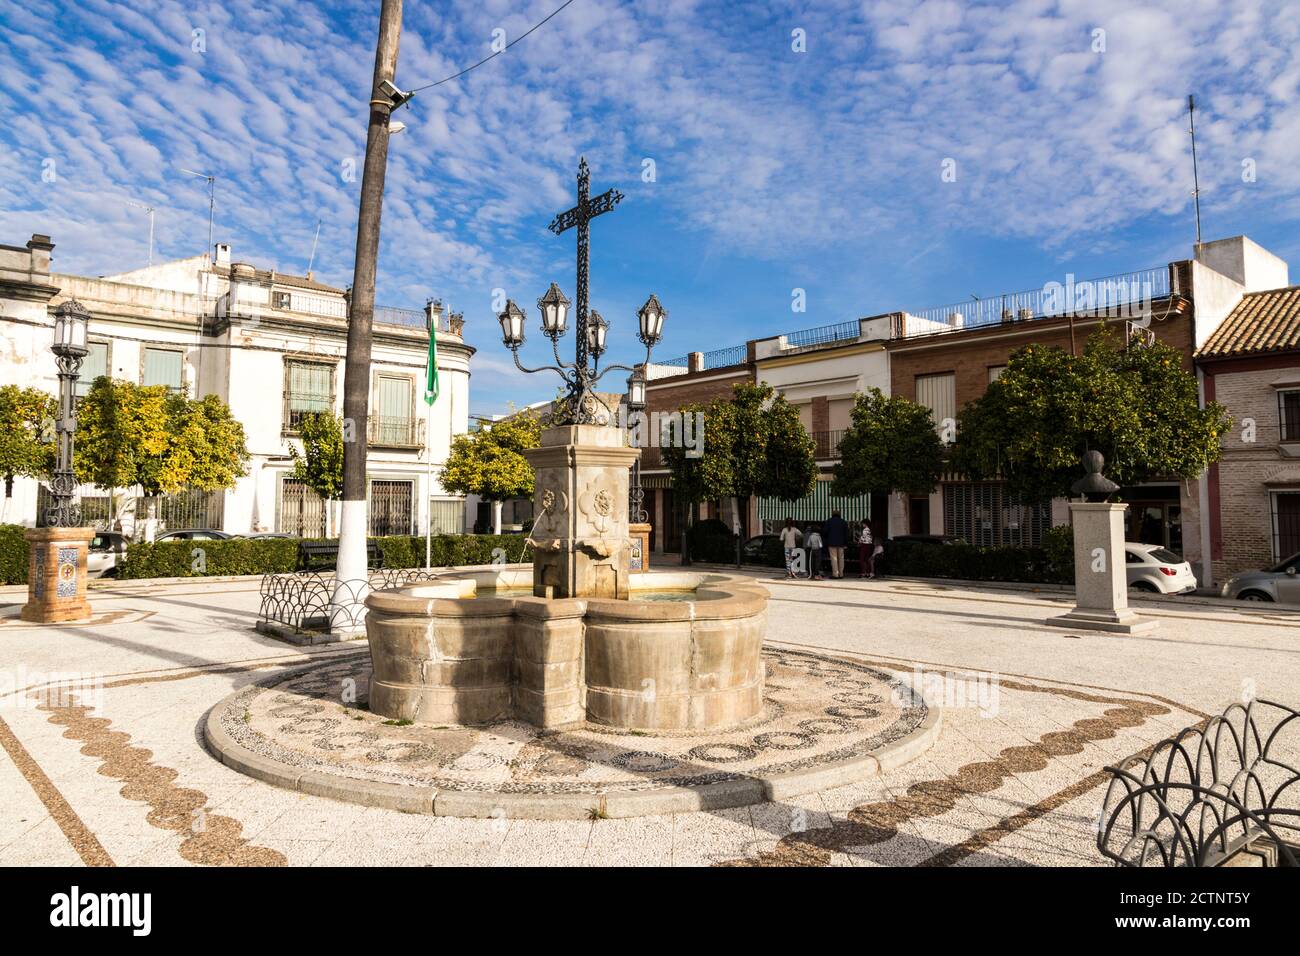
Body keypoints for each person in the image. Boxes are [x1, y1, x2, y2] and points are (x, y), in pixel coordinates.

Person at [823, 509, 849, 579]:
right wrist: (846, 543)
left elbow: (825, 531)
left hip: (831, 542)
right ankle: (841, 574)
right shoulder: (843, 522)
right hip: (841, 543)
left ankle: (835, 574)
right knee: (841, 558)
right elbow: (846, 534)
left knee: (834, 558)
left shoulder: (829, 521)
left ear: (832, 514)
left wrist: (827, 539)